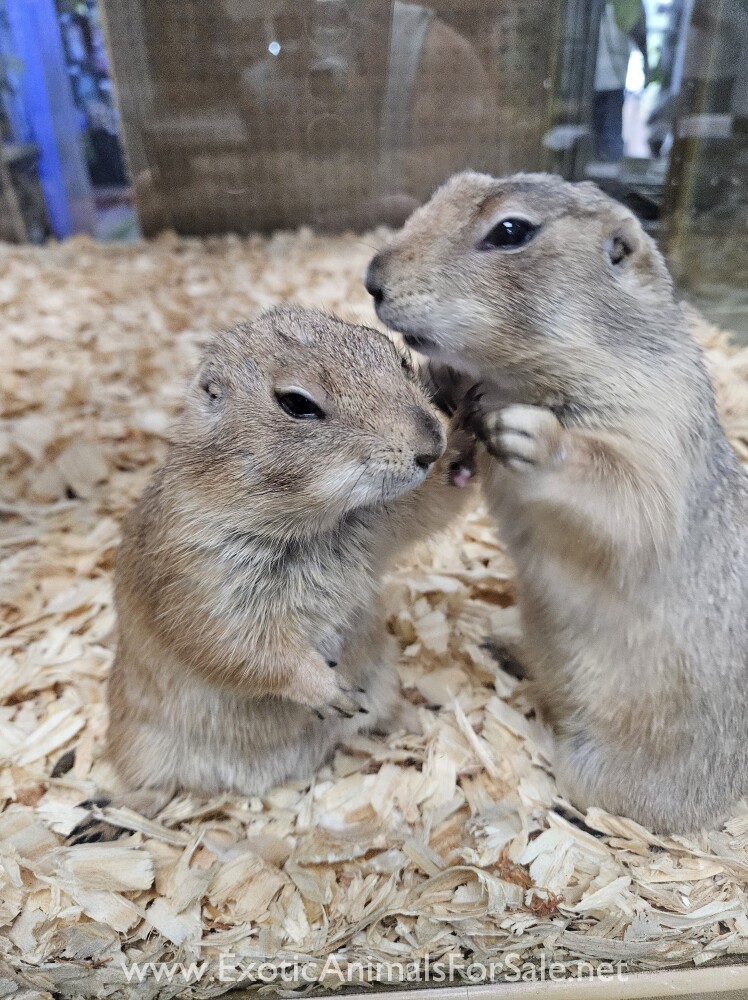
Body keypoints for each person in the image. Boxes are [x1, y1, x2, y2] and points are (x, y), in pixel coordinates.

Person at [593, 0, 648, 161]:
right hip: (597, 80)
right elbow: (640, 34)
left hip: (612, 79)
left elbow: (639, 33)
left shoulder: (625, 4)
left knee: (610, 135)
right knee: (605, 134)